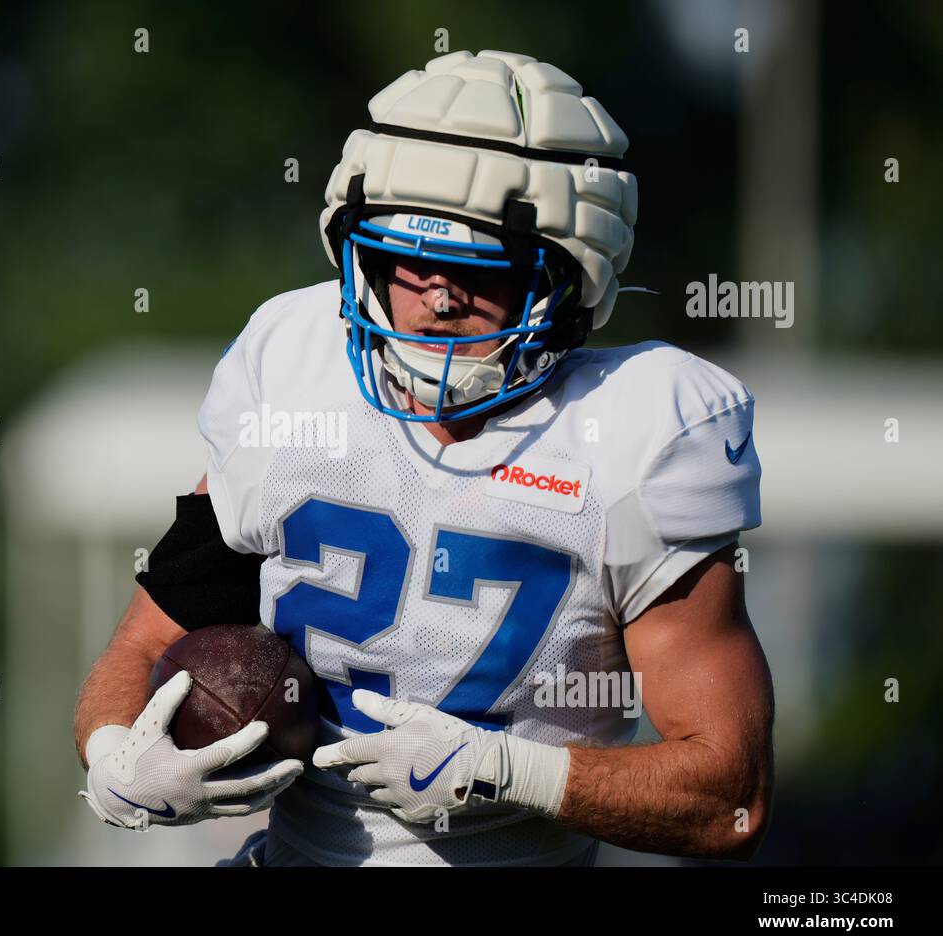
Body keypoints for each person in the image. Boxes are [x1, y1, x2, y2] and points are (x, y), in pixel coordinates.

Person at [75, 49, 774, 866]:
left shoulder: (637, 433)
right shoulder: (293, 370)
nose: (438, 299)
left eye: (479, 269)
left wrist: (506, 772)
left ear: (567, 278)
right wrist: (116, 756)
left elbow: (731, 799)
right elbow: (139, 645)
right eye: (408, 261)